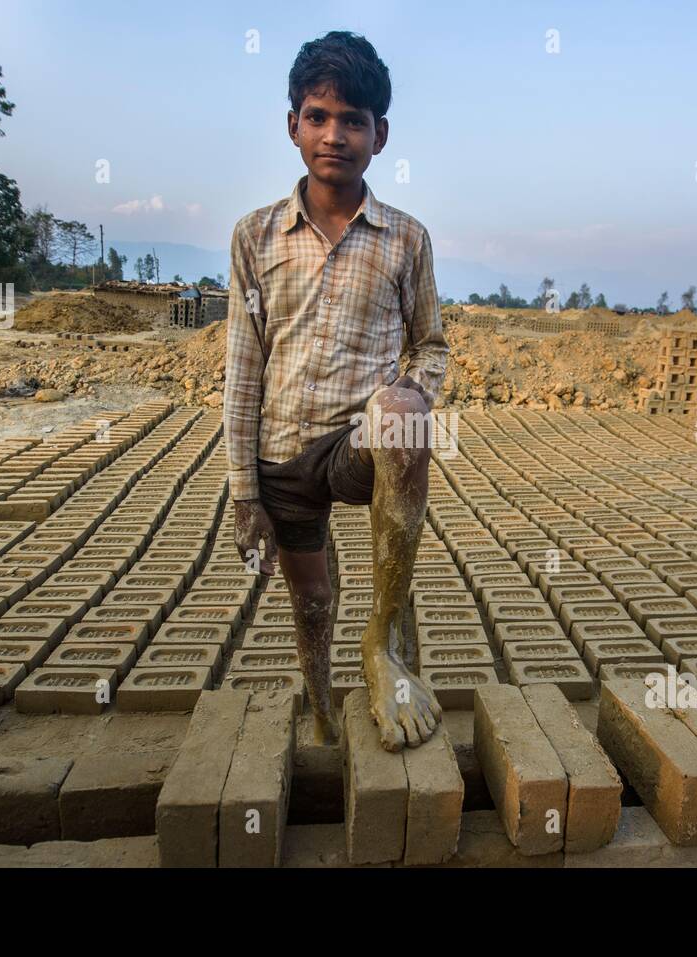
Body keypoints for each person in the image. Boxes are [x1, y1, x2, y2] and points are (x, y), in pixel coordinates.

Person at [224, 32, 449, 752]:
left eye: (353, 120)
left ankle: (381, 642)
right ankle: (322, 715)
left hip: (357, 443)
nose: (334, 135)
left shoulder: (405, 239)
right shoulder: (255, 236)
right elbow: (243, 365)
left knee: (400, 415)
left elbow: (432, 346)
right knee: (311, 603)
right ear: (292, 123)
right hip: (283, 451)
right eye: (319, 116)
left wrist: (411, 392)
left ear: (380, 135)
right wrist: (243, 491)